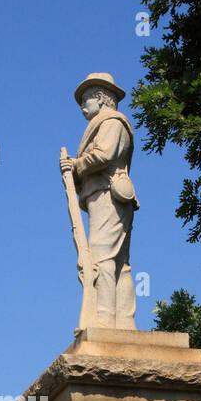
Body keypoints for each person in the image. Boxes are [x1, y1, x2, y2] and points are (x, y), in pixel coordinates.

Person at [60, 73, 139, 329]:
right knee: (117, 263)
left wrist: (76, 165)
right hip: (102, 196)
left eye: (86, 99)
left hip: (107, 194)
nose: (83, 106)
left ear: (102, 98)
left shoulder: (112, 122)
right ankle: (122, 321)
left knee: (103, 259)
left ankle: (105, 321)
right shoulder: (107, 123)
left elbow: (103, 155)